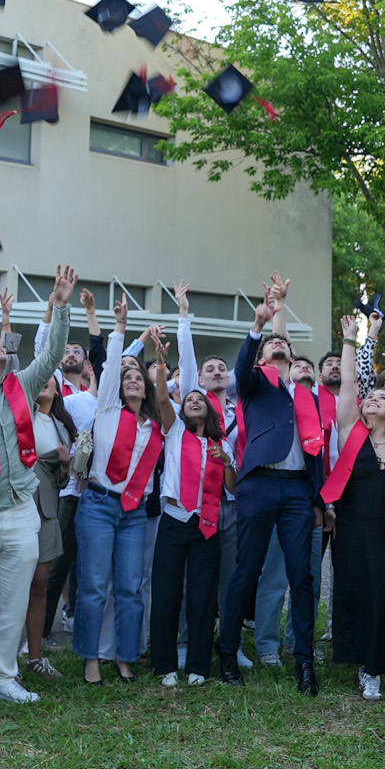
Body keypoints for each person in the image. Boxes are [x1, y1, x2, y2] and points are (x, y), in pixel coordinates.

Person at [0, 269, 75, 703]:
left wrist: (60, 307)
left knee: (11, 600)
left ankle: (3, 679)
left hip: (23, 510)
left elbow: (52, 355)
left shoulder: (22, 386)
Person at [215, 274, 328, 695]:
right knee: (247, 571)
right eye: (271, 347)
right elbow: (242, 368)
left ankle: (303, 663)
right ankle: (227, 652)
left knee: (302, 577)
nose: (278, 347)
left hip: (298, 490)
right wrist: (259, 325)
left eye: (283, 344)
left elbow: (317, 449)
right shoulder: (253, 384)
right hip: (259, 485)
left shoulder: (306, 393)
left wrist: (318, 500)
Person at [324, 311, 385, 700]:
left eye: (383, 397)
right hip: (353, 527)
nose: (374, 399)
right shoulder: (351, 431)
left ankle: (378, 663)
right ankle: (361, 660)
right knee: (357, 590)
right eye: (371, 396)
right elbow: (349, 381)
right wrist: (350, 338)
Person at [73, 298, 171, 684]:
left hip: (133, 513)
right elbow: (112, 365)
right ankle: (91, 656)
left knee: (131, 587)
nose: (131, 379)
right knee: (95, 586)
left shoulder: (155, 426)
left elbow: (166, 398)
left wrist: (160, 367)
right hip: (98, 504)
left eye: (138, 378)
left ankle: (126, 655)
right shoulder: (107, 409)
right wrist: (120, 327)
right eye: (127, 377)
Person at [150, 284, 238, 687]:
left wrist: (226, 464)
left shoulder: (220, 444)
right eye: (190, 397)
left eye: (201, 399)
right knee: (168, 593)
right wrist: (182, 318)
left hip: (207, 525)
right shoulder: (174, 432)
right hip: (173, 520)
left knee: (203, 597)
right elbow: (181, 373)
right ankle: (166, 664)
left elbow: (232, 487)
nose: (196, 400)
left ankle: (200, 666)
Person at [24, 374, 76, 681]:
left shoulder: (61, 429)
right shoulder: (18, 412)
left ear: (57, 390)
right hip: (12, 505)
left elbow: (61, 482)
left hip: (45, 510)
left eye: (50, 379)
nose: (44, 381)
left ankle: (35, 656)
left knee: (39, 585)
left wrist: (67, 464)